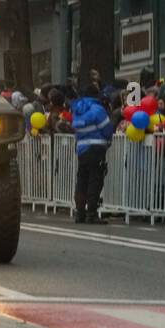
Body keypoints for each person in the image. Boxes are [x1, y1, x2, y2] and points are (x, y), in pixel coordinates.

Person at [69, 83, 112, 224]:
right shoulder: (98, 109)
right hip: (97, 148)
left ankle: (80, 212)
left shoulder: (77, 110)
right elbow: (107, 128)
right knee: (95, 180)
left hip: (82, 149)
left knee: (82, 180)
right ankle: (91, 213)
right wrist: (107, 139)